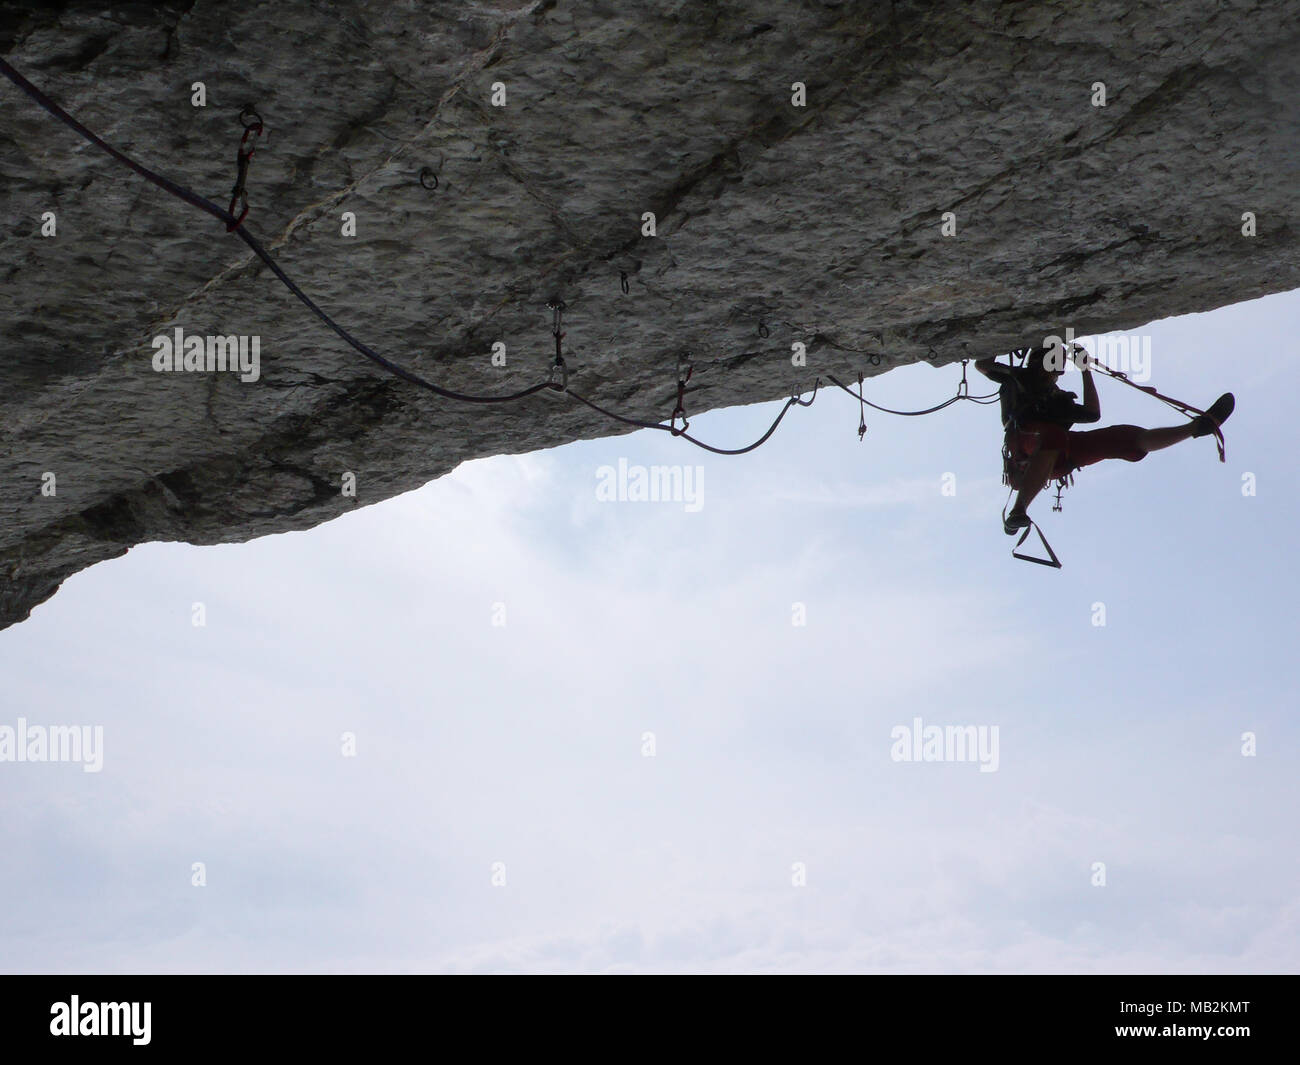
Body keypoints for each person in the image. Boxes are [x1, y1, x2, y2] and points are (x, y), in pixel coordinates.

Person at [975, 345, 1234, 534]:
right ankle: (1019, 511)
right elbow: (983, 364)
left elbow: (1092, 414)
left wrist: (1086, 370)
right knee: (1053, 436)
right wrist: (1005, 342)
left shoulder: (1057, 396)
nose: (1055, 370)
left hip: (1052, 451)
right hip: (1026, 440)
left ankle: (1196, 428)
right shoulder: (1017, 377)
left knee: (1124, 437)